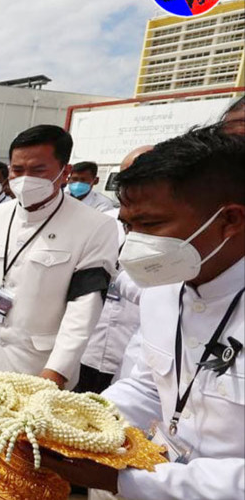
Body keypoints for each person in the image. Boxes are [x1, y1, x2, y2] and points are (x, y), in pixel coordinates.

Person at [38, 125, 244, 499]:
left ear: (230, 220)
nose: (134, 244)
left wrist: (130, 481)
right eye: (128, 226)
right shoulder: (164, 288)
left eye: (150, 225)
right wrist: (73, 423)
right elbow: (148, 385)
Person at [0, 124, 119, 500]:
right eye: (17, 169)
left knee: (29, 461)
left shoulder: (95, 227)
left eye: (38, 170)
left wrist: (57, 371)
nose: (25, 179)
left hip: (38, 367)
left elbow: (84, 306)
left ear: (64, 172)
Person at [77, 145, 153, 394]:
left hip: (132, 356)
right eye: (125, 178)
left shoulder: (177, 230)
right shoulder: (102, 222)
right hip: (87, 346)